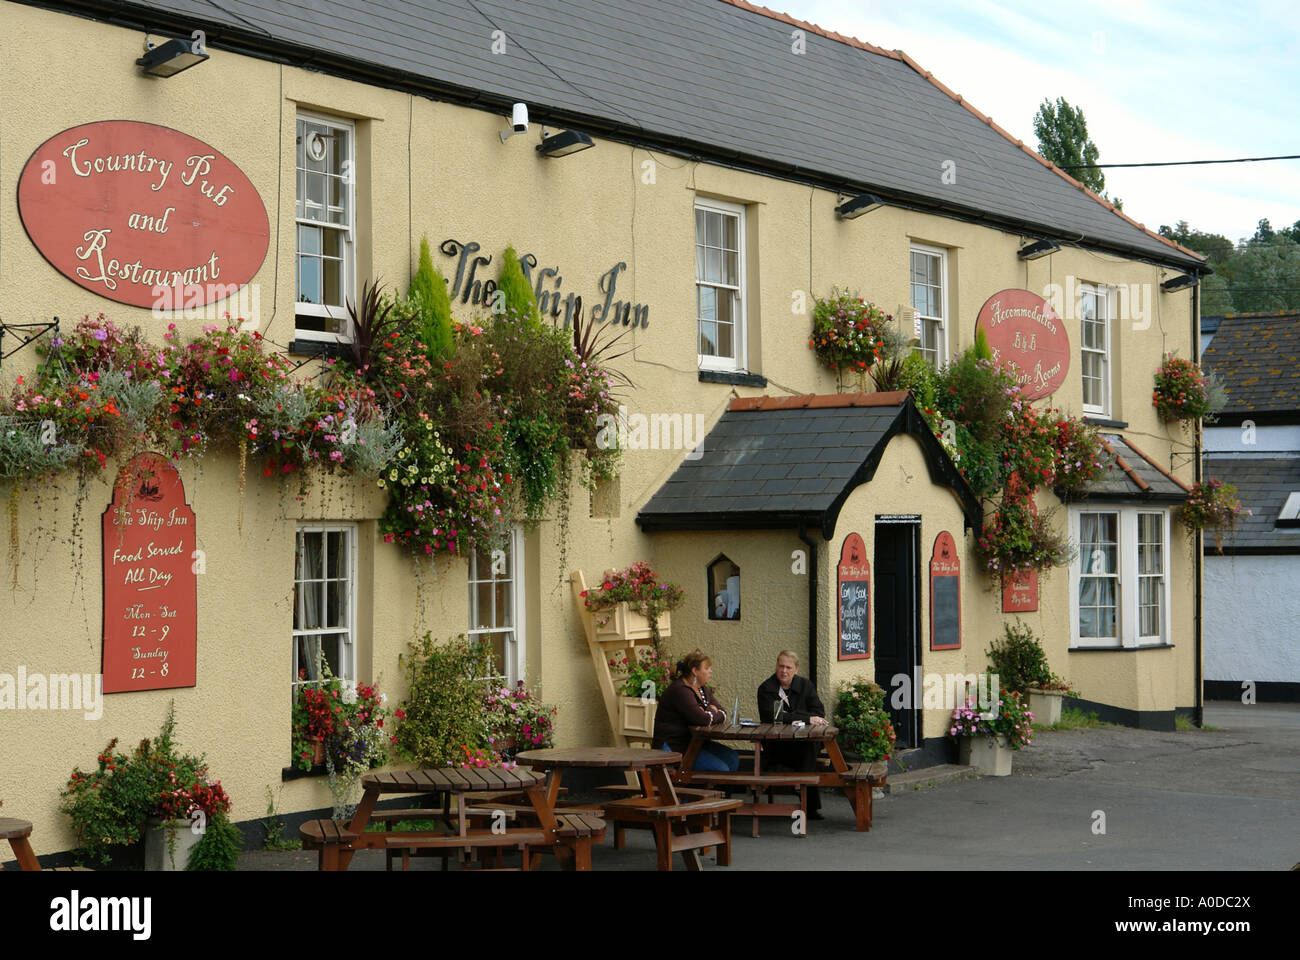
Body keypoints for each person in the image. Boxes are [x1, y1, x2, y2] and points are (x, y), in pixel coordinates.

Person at [757, 649, 827, 818]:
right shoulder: (767, 688)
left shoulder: (805, 686)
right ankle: (808, 806)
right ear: (776, 666)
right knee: (808, 753)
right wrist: (807, 718)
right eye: (781, 666)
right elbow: (771, 716)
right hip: (777, 745)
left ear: (796, 669)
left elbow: (819, 711)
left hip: (803, 743)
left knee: (810, 748)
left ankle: (806, 803)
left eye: (788, 667)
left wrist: (797, 717)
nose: (784, 671)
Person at [652, 651, 740, 772]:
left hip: (695, 743)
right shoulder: (680, 690)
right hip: (674, 746)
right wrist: (710, 711)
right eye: (707, 668)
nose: (711, 671)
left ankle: (720, 791)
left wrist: (707, 711)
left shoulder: (702, 689)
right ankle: (708, 790)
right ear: (695, 671)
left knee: (733, 758)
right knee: (721, 769)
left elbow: (723, 713)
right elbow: (702, 719)